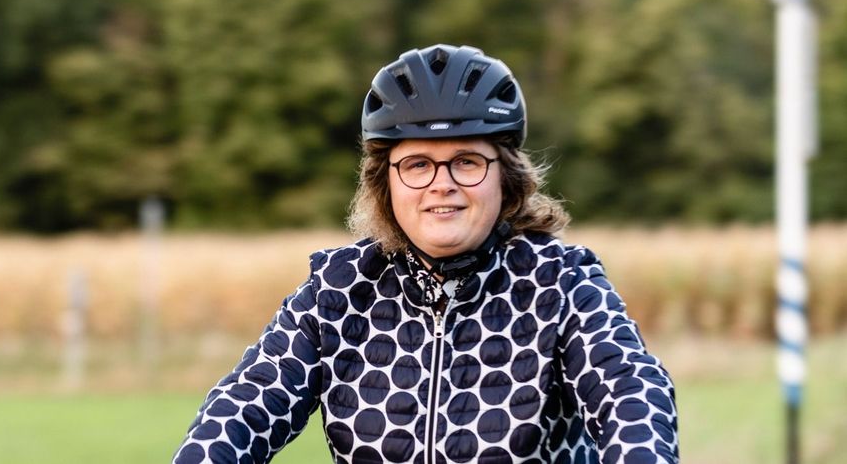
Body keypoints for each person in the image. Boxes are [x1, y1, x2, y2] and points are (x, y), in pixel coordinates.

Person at [173, 44, 679, 464]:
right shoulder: (338, 291)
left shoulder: (561, 283)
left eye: (467, 161)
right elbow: (243, 407)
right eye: (418, 164)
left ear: (505, 177)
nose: (443, 185)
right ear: (385, 183)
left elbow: (631, 394)